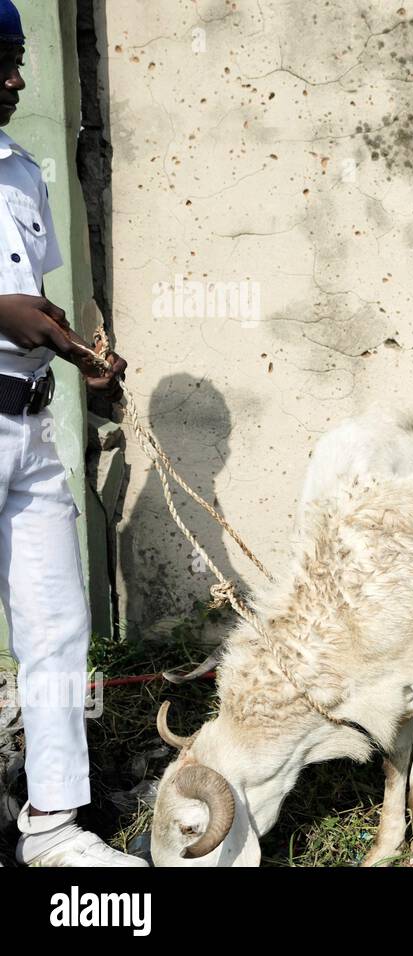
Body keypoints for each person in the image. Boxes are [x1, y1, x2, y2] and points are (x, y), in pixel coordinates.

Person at [0, 1, 137, 865]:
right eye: (3, 61)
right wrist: (41, 329)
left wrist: (82, 356)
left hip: (28, 423)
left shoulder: (19, 172)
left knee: (56, 622)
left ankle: (52, 822)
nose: (17, 78)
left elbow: (32, 302)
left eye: (19, 60)